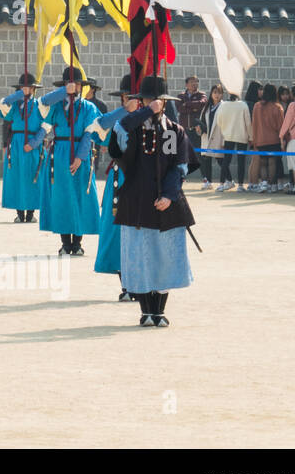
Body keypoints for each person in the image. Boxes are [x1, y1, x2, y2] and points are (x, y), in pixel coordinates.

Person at [112, 76, 197, 327]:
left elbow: (178, 166)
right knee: (141, 256)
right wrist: (145, 112)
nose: (154, 104)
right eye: (148, 100)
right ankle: (145, 310)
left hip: (166, 203)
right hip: (137, 200)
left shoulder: (173, 130)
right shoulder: (133, 127)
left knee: (164, 258)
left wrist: (169, 196)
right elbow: (118, 132)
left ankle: (159, 311)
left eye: (156, 100)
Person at [33, 66, 101, 256]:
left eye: (78, 84)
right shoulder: (56, 106)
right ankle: (65, 242)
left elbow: (90, 134)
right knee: (61, 197)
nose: (75, 86)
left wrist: (80, 156)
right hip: (59, 154)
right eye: (71, 83)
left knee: (80, 196)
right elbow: (41, 103)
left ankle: (77, 243)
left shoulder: (89, 107)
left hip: (81, 153)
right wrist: (64, 92)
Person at [92, 75, 137, 300]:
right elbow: (95, 129)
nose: (128, 100)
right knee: (116, 229)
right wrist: (124, 111)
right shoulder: (116, 120)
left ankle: (143, 285)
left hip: (143, 179)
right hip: (119, 179)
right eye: (125, 97)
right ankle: (126, 286)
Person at [0, 74, 43, 222]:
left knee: (32, 177)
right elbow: (2, 105)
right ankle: (19, 213)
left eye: (29, 87)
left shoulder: (39, 105)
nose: (26, 90)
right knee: (16, 177)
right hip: (16, 143)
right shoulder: (14, 105)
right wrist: (19, 94)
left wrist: (35, 142)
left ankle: (30, 213)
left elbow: (46, 127)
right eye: (23, 88)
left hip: (32, 143)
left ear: (33, 89)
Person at [215, 89, 252, 192]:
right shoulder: (243, 105)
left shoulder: (223, 105)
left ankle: (221, 184)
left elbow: (219, 121)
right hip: (242, 136)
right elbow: (248, 122)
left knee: (226, 160)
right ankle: (240, 185)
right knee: (241, 161)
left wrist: (224, 130)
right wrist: (251, 136)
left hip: (228, 136)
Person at [250, 84, 284, 192]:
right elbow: (281, 126)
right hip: (274, 140)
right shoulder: (277, 107)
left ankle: (264, 183)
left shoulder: (256, 106)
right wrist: (283, 141)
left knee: (263, 163)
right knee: (272, 162)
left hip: (260, 140)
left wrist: (254, 141)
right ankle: (272, 184)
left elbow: (254, 125)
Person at [200, 83, 225, 190]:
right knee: (206, 160)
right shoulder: (207, 107)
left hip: (219, 136)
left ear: (222, 95)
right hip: (207, 136)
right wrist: (199, 128)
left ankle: (226, 181)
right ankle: (208, 181)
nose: (217, 95)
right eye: (215, 92)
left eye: (219, 93)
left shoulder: (224, 106)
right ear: (211, 94)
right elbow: (202, 120)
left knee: (221, 161)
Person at [279, 85, 295, 194]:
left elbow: (287, 122)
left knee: (294, 164)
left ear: (293, 94)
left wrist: (281, 136)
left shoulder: (293, 105)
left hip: (294, 139)